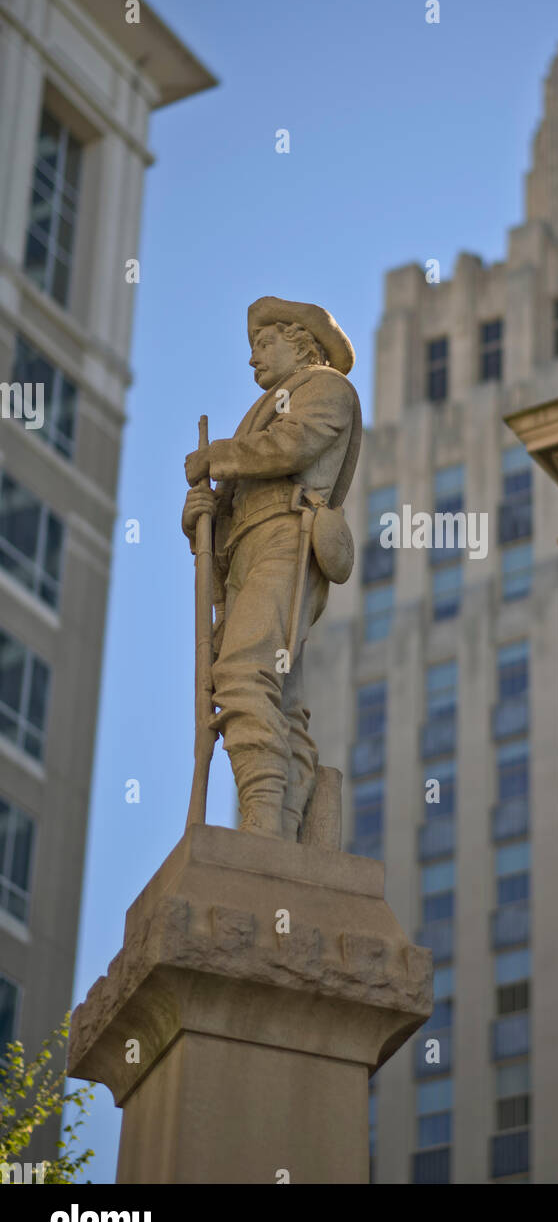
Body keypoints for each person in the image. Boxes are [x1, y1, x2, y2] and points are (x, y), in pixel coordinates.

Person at [182, 297, 361, 838]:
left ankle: (262, 818)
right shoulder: (261, 412)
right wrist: (201, 519)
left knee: (241, 674)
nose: (254, 359)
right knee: (280, 699)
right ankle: (283, 827)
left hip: (288, 535)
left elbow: (293, 445)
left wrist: (219, 455)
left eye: (264, 344)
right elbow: (232, 502)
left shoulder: (326, 388)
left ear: (301, 342)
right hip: (246, 549)